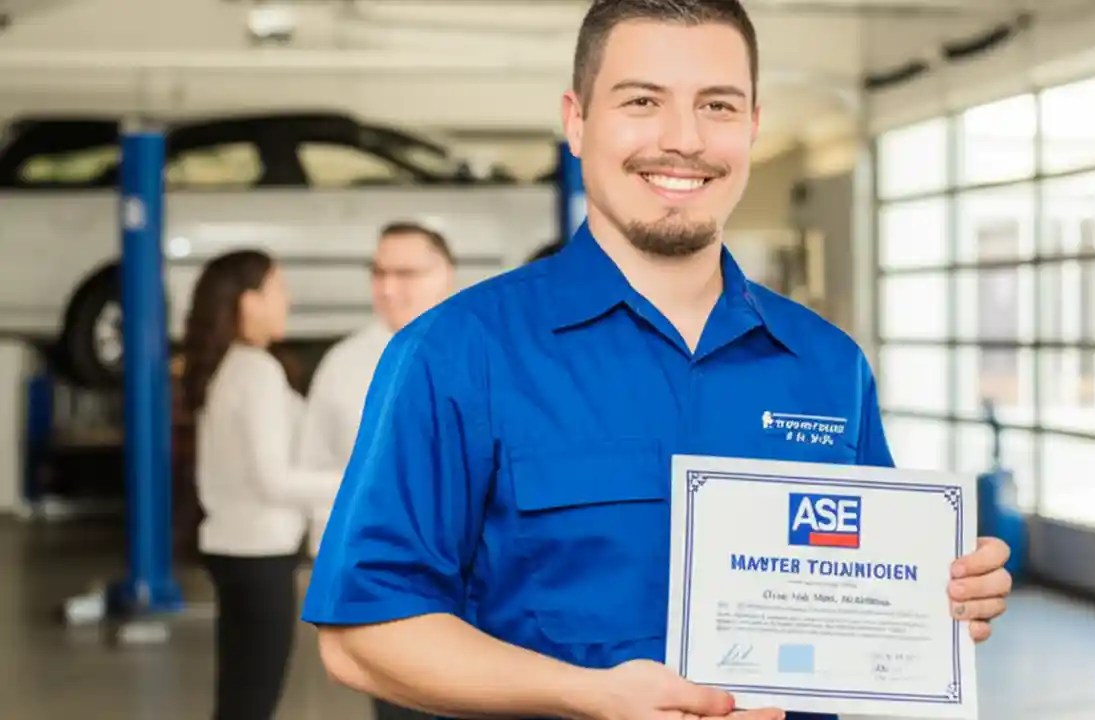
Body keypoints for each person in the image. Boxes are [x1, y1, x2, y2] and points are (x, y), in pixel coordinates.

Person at [302, 2, 1014, 720]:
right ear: (576, 121)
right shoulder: (456, 354)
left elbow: (863, 598)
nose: (684, 139)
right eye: (643, 101)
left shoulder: (827, 366)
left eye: (718, 105)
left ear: (753, 125)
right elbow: (360, 636)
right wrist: (588, 696)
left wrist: (945, 592)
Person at [298, 221, 456, 720]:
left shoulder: (483, 352)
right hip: (389, 588)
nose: (389, 287)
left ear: (445, 275)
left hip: (483, 585)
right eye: (379, 273)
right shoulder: (342, 365)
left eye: (406, 273)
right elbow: (315, 466)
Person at [182, 250, 344, 720]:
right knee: (252, 698)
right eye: (279, 289)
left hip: (237, 552)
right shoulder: (255, 372)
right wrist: (357, 484)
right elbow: (273, 480)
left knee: (240, 695)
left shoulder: (231, 368)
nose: (288, 300)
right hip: (258, 556)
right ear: (249, 302)